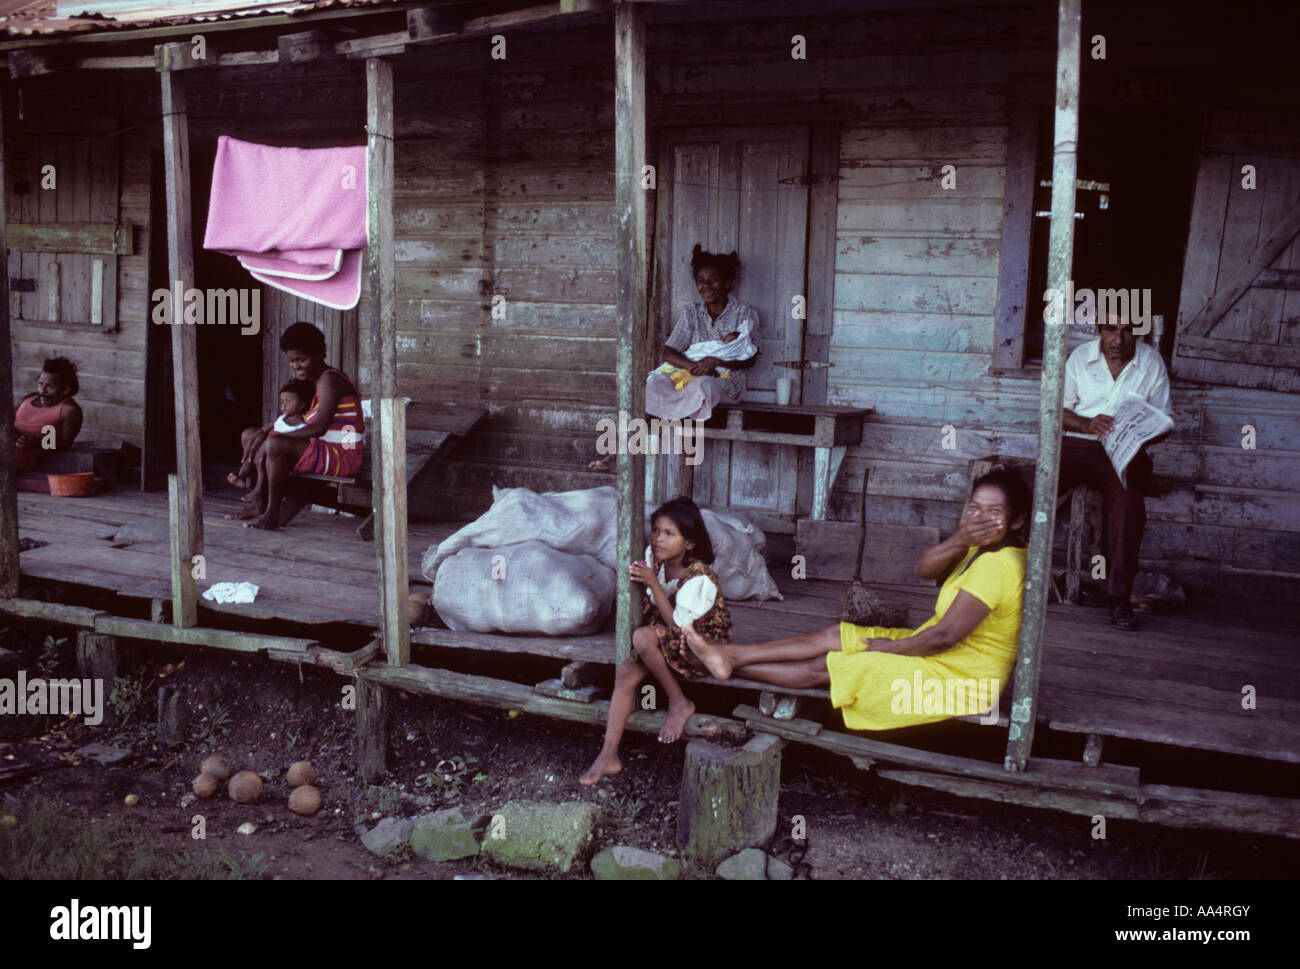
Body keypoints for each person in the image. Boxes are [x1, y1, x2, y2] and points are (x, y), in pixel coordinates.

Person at [680, 470, 1031, 732]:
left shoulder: (999, 565)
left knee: (830, 665)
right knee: (836, 635)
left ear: (1017, 520)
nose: (980, 518)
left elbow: (944, 637)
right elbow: (924, 569)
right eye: (974, 508)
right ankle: (729, 655)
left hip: (963, 679)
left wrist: (888, 649)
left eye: (993, 512)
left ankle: (722, 663)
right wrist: (960, 538)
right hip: (946, 655)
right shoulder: (979, 546)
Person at [580, 497, 733, 785]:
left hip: (699, 645)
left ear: (689, 543)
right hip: (665, 639)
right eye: (656, 530)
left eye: (669, 534)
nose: (658, 539)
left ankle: (679, 702)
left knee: (643, 637)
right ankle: (608, 754)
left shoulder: (700, 577)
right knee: (625, 672)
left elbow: (678, 623)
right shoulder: (655, 559)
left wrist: (652, 583)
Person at [588, 244, 759, 471]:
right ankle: (621, 455)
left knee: (703, 386)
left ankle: (635, 449)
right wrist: (695, 365)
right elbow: (668, 352)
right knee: (652, 386)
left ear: (727, 282)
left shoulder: (744, 313)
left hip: (725, 383)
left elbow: (750, 358)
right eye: (701, 280)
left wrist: (716, 362)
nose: (706, 286)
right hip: (687, 377)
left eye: (713, 279)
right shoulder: (691, 314)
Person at [1060, 311, 1172, 630]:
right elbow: (1057, 408)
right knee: (1031, 485)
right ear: (1098, 329)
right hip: (1079, 445)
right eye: (1111, 329)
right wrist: (1085, 423)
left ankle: (1119, 597)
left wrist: (1142, 430)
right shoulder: (1081, 357)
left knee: (1128, 507)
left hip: (1124, 452)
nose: (1118, 339)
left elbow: (1164, 421)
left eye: (1127, 331)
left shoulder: (1151, 363)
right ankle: (1000, 572)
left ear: (1138, 332)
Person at [227, 322, 364, 530]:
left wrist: (272, 439)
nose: (296, 365)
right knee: (250, 434)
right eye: (291, 360)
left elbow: (319, 427)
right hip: (324, 449)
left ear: (320, 355)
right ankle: (260, 504)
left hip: (343, 455)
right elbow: (297, 418)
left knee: (275, 444)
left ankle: (271, 515)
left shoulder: (330, 380)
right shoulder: (314, 381)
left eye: (301, 359)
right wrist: (265, 430)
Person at [226, 378, 315, 497]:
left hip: (276, 454)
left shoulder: (302, 425)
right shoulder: (281, 419)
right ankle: (241, 477)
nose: (283, 406)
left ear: (301, 404)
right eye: (282, 402)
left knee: (262, 467)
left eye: (288, 402)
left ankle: (258, 489)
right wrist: (254, 440)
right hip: (266, 447)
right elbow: (264, 429)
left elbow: (297, 444)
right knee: (250, 458)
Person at [13, 357, 83, 472]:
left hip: (27, 460)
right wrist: (15, 437)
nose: (42, 391)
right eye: (40, 384)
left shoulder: (69, 410)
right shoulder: (26, 400)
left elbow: (65, 444)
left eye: (50, 386)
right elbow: (6, 424)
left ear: (65, 390)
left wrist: (38, 442)